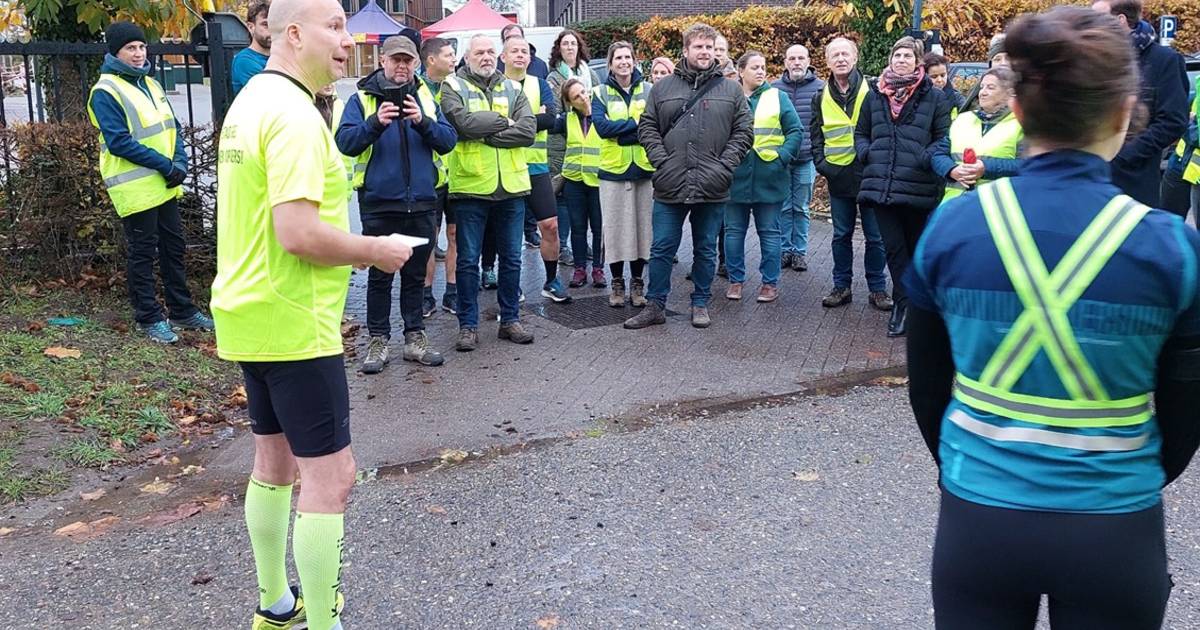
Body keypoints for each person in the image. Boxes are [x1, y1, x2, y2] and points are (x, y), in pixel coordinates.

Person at [905, 7, 1200, 628]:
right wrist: (1134, 474)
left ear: (1016, 110)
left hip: (979, 519)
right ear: (1123, 114)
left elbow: (928, 385)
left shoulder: (952, 228)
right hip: (1115, 526)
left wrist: (966, 468)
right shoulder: (1171, 247)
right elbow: (1185, 406)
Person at [213, 0, 414, 628]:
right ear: (292, 33)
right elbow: (298, 232)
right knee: (334, 477)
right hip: (295, 320)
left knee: (273, 463)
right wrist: (375, 252)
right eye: (334, 26)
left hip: (247, 312)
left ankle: (275, 605)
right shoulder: (297, 117)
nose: (347, 40)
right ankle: (323, 620)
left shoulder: (249, 101)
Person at [336, 35, 457, 372]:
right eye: (396, 60)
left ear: (415, 64)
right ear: (383, 62)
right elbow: (345, 142)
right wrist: (376, 123)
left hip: (421, 202)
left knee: (416, 275)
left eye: (408, 61)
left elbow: (448, 141)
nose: (402, 67)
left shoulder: (427, 98)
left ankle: (414, 338)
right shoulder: (361, 99)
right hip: (379, 203)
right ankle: (378, 340)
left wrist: (422, 121)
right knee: (379, 276)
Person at [88, 21, 214, 344]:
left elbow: (173, 128)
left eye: (141, 47)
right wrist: (166, 166)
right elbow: (119, 142)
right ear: (115, 52)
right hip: (137, 188)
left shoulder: (151, 84)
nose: (138, 53)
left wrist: (180, 162)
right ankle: (148, 317)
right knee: (143, 253)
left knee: (174, 248)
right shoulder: (106, 91)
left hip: (164, 182)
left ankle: (182, 310)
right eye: (130, 48)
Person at [624, 22, 753, 330]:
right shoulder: (663, 88)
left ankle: (700, 303)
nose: (705, 51)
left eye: (710, 46)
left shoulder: (731, 89)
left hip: (712, 184)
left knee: (706, 248)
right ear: (685, 50)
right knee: (662, 247)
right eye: (699, 46)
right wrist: (661, 161)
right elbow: (647, 127)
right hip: (671, 183)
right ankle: (655, 305)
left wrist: (724, 166)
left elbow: (744, 132)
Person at [440, 34, 537, 351]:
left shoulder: (513, 87)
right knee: (468, 262)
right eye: (479, 52)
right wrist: (503, 120)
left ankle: (510, 320)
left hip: (512, 188)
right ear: (466, 57)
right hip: (471, 188)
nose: (486, 57)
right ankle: (467, 326)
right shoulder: (453, 86)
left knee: (511, 260)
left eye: (490, 51)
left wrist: (487, 134)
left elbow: (528, 131)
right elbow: (462, 123)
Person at [855, 35, 951, 338]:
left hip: (918, 184)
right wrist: (867, 153)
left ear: (918, 62)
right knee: (894, 249)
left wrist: (926, 157)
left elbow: (944, 137)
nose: (901, 60)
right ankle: (903, 304)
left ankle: (915, 304)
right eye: (897, 55)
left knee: (914, 248)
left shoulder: (933, 97)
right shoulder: (875, 95)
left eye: (907, 56)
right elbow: (861, 132)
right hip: (881, 185)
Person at [811, 37, 891, 314]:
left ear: (855, 58)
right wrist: (823, 165)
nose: (841, 59)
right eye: (835, 55)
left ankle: (878, 289)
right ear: (828, 61)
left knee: (876, 237)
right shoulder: (819, 96)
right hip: (838, 175)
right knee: (841, 235)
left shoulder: (874, 91)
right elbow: (816, 135)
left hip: (870, 174)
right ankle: (841, 286)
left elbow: (883, 130)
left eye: (846, 54)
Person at [1092, 0, 1189, 208]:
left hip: (1134, 185)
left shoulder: (1164, 60)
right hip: (1090, 179)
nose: (1091, 25)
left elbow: (1173, 121)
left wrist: (1122, 156)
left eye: (1097, 19)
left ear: (1120, 20)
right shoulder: (1094, 60)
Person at [724, 51, 803, 303]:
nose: (761, 71)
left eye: (763, 67)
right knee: (734, 232)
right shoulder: (728, 97)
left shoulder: (777, 97)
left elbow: (795, 131)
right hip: (736, 176)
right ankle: (735, 281)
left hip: (769, 176)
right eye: (755, 67)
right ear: (740, 71)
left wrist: (782, 157)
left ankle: (770, 283)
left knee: (770, 232)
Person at [502, 37, 572, 303]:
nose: (520, 55)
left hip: (537, 166)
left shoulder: (539, 84)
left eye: (525, 52)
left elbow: (551, 118)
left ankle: (551, 281)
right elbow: (494, 123)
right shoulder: (496, 86)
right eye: (514, 51)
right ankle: (511, 286)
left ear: (530, 58)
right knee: (508, 231)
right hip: (506, 167)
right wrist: (534, 118)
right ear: (504, 56)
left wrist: (514, 122)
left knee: (550, 225)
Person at [593, 41, 655, 308]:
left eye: (628, 57)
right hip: (613, 172)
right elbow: (603, 128)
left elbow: (655, 125)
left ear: (635, 61)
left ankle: (638, 284)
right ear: (610, 63)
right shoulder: (599, 92)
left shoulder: (650, 90)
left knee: (643, 230)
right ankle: (617, 283)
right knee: (615, 230)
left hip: (644, 170)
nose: (623, 62)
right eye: (618, 57)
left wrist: (626, 133)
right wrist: (636, 126)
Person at [547, 29, 601, 274]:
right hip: (564, 151)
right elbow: (553, 114)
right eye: (565, 44)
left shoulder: (590, 74)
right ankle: (565, 248)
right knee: (567, 206)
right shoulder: (554, 77)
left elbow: (601, 104)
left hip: (594, 168)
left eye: (573, 43)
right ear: (559, 48)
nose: (570, 47)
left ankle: (593, 257)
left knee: (596, 220)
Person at [929, 67, 1023, 203]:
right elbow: (939, 154)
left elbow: (1027, 165)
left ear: (1009, 93)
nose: (983, 92)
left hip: (997, 208)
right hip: (954, 206)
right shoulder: (963, 119)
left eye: (990, 88)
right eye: (982, 87)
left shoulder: (1019, 124)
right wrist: (951, 170)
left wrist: (986, 167)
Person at [772, 44, 824, 272]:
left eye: (800, 58)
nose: (796, 62)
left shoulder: (821, 88)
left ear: (808, 60)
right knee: (783, 206)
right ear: (785, 62)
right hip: (781, 159)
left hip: (806, 158)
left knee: (801, 207)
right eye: (791, 58)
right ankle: (785, 250)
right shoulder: (774, 89)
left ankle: (799, 253)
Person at [419, 36, 459, 316]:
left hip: (458, 174)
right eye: (448, 55)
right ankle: (425, 293)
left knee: (455, 234)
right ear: (431, 60)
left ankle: (453, 292)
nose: (454, 59)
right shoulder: (415, 89)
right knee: (429, 237)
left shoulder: (458, 86)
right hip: (429, 178)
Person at [557, 78, 605, 292]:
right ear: (569, 102)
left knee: (598, 228)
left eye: (584, 92)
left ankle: (598, 268)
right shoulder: (566, 120)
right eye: (577, 96)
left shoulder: (601, 115)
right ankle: (579, 269)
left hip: (598, 180)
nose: (583, 97)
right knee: (577, 228)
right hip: (574, 180)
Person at [231, 0, 271, 97]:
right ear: (251, 27)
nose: (271, 29)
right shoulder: (244, 61)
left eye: (274, 23)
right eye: (265, 24)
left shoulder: (280, 57)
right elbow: (272, 95)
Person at [962, 34, 1009, 112]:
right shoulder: (978, 91)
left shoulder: (1028, 92)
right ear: (991, 64)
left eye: (1008, 58)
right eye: (997, 59)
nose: (1003, 63)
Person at [923, 53, 965, 119]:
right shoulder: (916, 97)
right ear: (924, 76)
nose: (939, 80)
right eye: (934, 76)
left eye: (943, 75)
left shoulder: (956, 98)